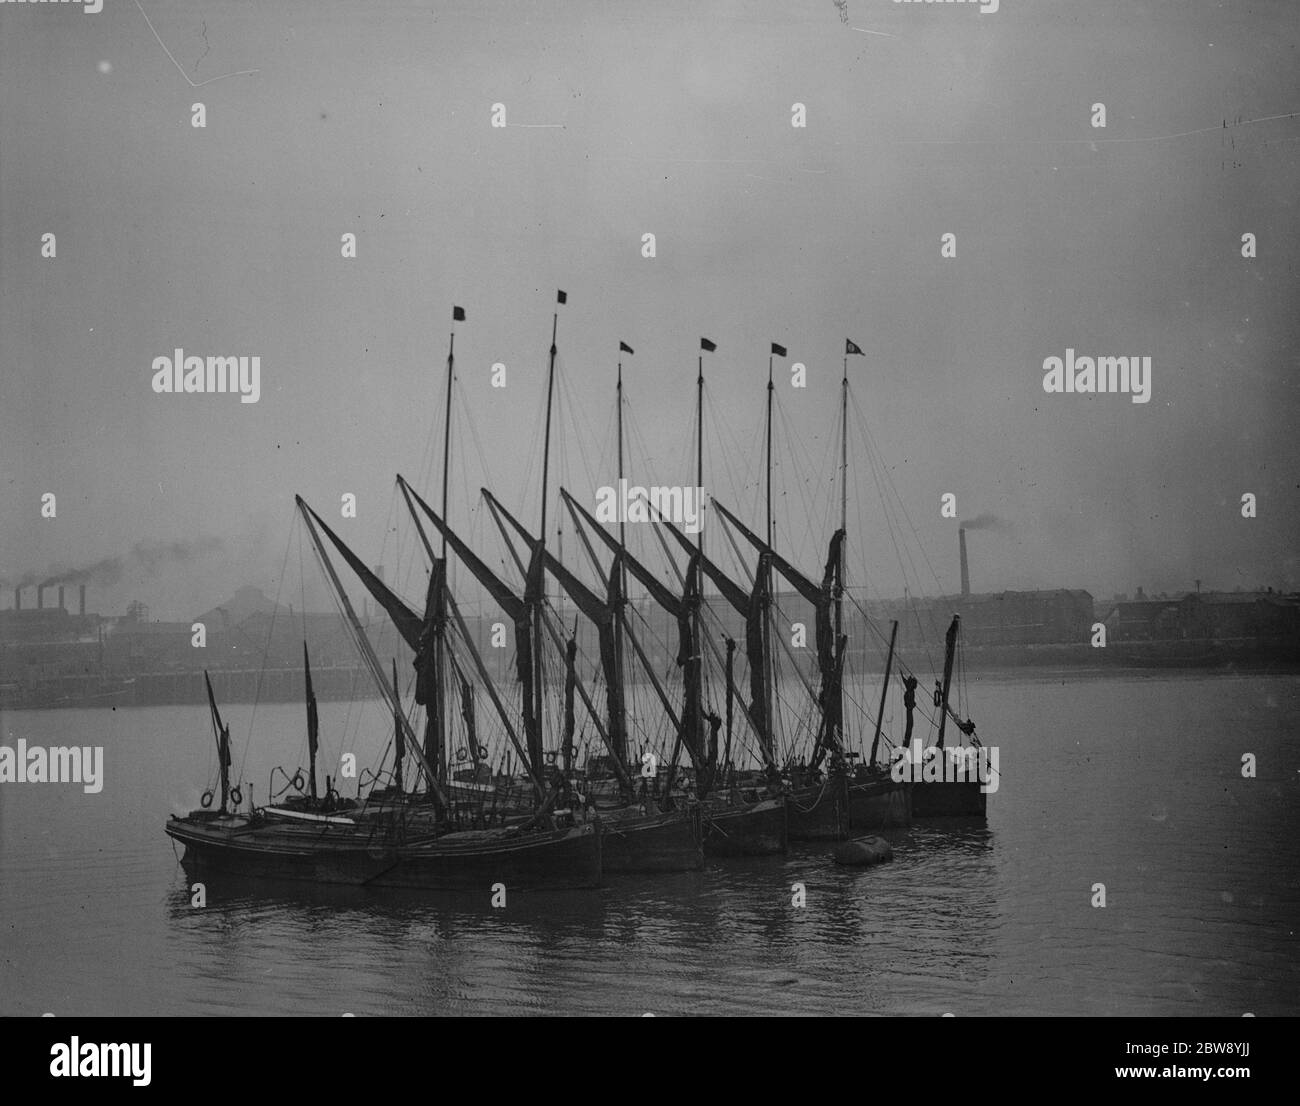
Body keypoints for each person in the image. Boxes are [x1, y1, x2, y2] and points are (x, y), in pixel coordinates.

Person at [902, 674, 919, 748]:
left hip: (909, 710)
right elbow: (908, 703)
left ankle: (906, 743)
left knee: (910, 725)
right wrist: (912, 704)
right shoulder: (909, 692)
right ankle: (906, 744)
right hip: (909, 710)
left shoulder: (910, 691)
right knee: (910, 725)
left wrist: (913, 704)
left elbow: (904, 681)